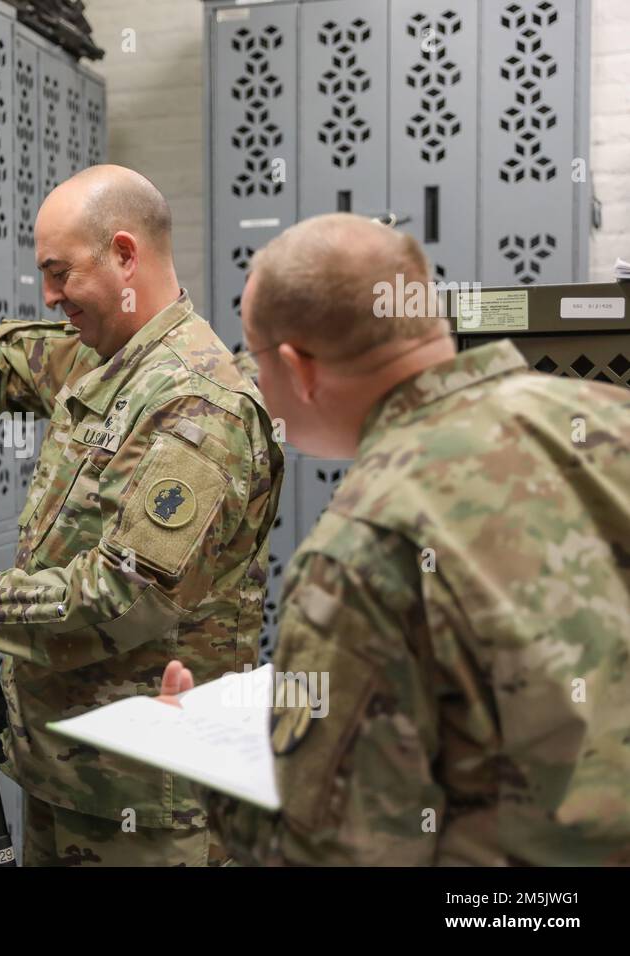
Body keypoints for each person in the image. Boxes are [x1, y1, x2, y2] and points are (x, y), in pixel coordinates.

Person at [163, 212, 630, 865]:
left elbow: (332, 851)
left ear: (299, 369)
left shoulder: (362, 549)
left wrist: (202, 758)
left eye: (258, 363)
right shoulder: (609, 419)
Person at [0, 165, 283, 866]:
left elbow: (120, 598)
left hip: (148, 799)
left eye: (59, 272)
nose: (48, 295)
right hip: (69, 771)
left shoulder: (196, 405)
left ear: (125, 255)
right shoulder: (109, 357)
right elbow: (9, 361)